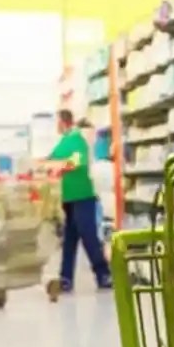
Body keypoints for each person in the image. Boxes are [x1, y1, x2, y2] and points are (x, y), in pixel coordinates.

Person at [45, 109, 111, 291]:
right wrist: (44, 166)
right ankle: (66, 278)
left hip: (82, 196)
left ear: (63, 122)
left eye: (57, 121)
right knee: (69, 239)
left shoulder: (76, 139)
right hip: (68, 198)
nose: (55, 126)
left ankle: (103, 274)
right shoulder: (64, 141)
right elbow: (51, 159)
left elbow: (77, 161)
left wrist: (59, 168)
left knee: (88, 236)